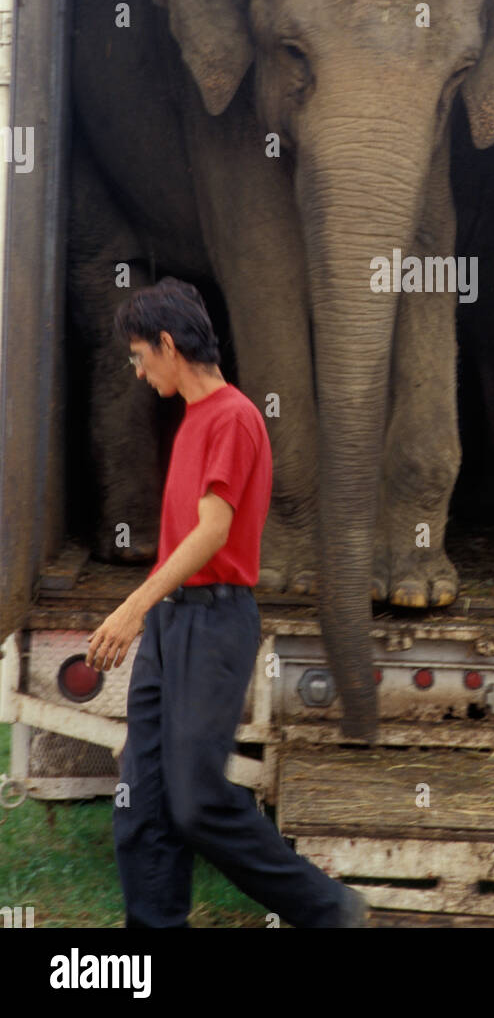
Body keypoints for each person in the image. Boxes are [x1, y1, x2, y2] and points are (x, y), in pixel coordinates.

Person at [85, 276, 367, 927]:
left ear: (167, 344)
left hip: (214, 621)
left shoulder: (235, 417)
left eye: (139, 355)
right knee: (141, 801)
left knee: (196, 801)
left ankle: (330, 911)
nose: (137, 370)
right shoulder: (190, 421)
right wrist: (150, 612)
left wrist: (131, 605)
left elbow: (213, 530)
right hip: (171, 622)